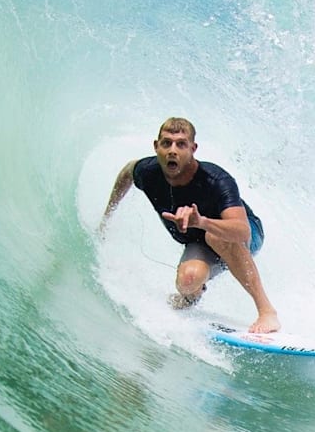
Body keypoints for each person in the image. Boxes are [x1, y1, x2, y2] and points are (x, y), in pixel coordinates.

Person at [99, 117, 280, 333]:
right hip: (200, 241)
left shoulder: (216, 179)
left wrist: (202, 222)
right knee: (187, 280)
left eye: (181, 144)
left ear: (193, 149)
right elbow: (128, 171)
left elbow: (242, 230)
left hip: (242, 233)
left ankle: (267, 312)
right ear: (156, 147)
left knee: (215, 236)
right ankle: (190, 297)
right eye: (166, 143)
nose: (172, 151)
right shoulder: (147, 172)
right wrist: (108, 215)